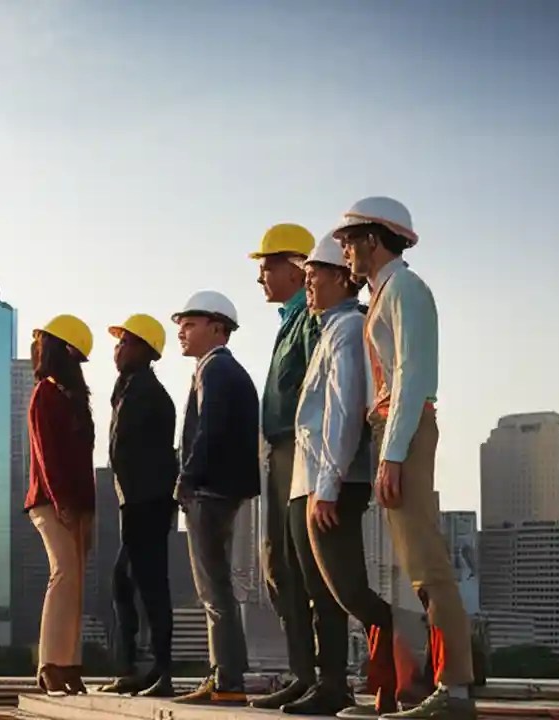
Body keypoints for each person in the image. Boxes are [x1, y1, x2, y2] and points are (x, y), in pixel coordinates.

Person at [334, 197, 475, 720]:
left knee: (427, 561)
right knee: (415, 564)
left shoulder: (407, 290)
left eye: (349, 240)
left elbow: (412, 376)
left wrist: (392, 454)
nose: (344, 249)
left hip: (405, 425)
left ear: (374, 239)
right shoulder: (383, 294)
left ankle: (455, 690)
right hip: (392, 426)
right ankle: (435, 688)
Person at [282, 232, 386, 716]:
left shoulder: (348, 329)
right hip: (313, 482)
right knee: (320, 590)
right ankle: (332, 684)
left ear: (344, 279)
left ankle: (432, 653)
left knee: (346, 588)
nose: (308, 283)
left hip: (331, 483)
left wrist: (327, 487)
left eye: (315, 273)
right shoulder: (330, 329)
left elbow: (344, 413)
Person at [168, 291, 260, 707]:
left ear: (217, 327)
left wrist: (187, 478)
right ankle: (227, 676)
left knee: (213, 588)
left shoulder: (216, 371)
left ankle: (226, 679)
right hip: (225, 489)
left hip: (210, 491)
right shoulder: (224, 371)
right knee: (218, 586)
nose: (181, 332)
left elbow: (209, 430)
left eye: (190, 324)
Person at [249, 223, 324, 711]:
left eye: (267, 266)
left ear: (297, 267)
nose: (260, 277)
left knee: (305, 564)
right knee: (278, 566)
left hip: (298, 450)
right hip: (278, 452)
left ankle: (322, 675)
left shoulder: (311, 321)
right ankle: (304, 672)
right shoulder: (289, 320)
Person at [98, 314, 178, 698]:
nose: (119, 349)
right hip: (134, 502)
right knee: (124, 582)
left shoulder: (148, 392)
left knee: (150, 587)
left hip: (148, 503)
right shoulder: (127, 388)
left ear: (146, 351)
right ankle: (132, 667)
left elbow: (145, 455)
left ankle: (160, 671)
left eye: (126, 342)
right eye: (119, 342)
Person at [24, 314, 97, 696]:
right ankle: (49, 663)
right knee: (64, 574)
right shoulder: (45, 395)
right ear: (63, 350)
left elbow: (83, 460)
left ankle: (69, 664)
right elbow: (46, 455)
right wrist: (61, 501)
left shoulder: (72, 399)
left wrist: (88, 508)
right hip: (52, 503)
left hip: (79, 503)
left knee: (76, 583)